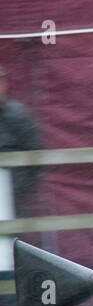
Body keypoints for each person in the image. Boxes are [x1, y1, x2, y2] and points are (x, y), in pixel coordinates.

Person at [0, 63, 43, 218]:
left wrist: (17, 191)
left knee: (10, 239)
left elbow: (37, 160)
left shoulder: (18, 115)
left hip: (13, 200)